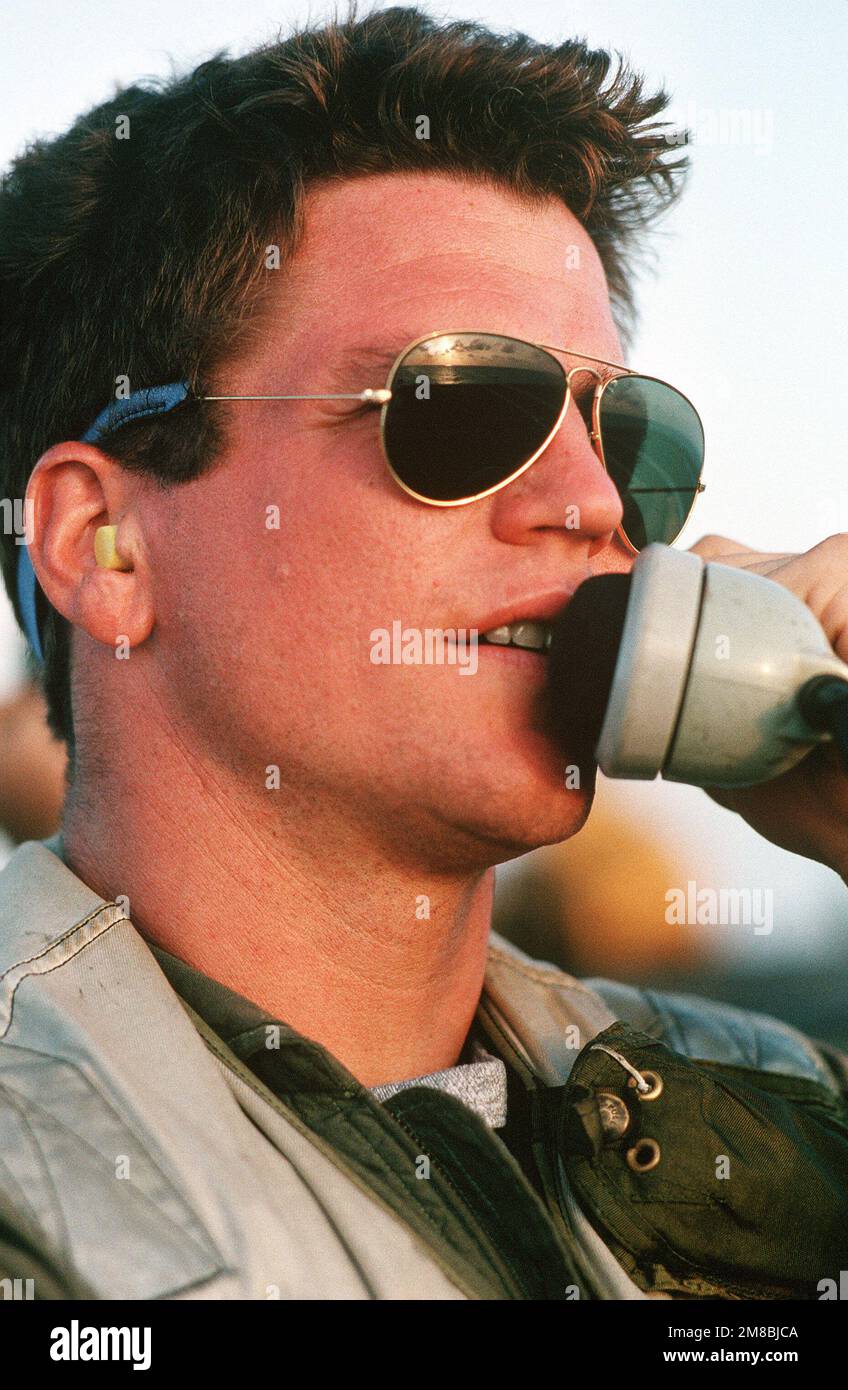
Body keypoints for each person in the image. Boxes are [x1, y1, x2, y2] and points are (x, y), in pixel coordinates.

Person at [1, 7, 846, 1302]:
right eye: (458, 407)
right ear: (106, 544)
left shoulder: (780, 1108)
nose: (595, 505)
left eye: (624, 437)